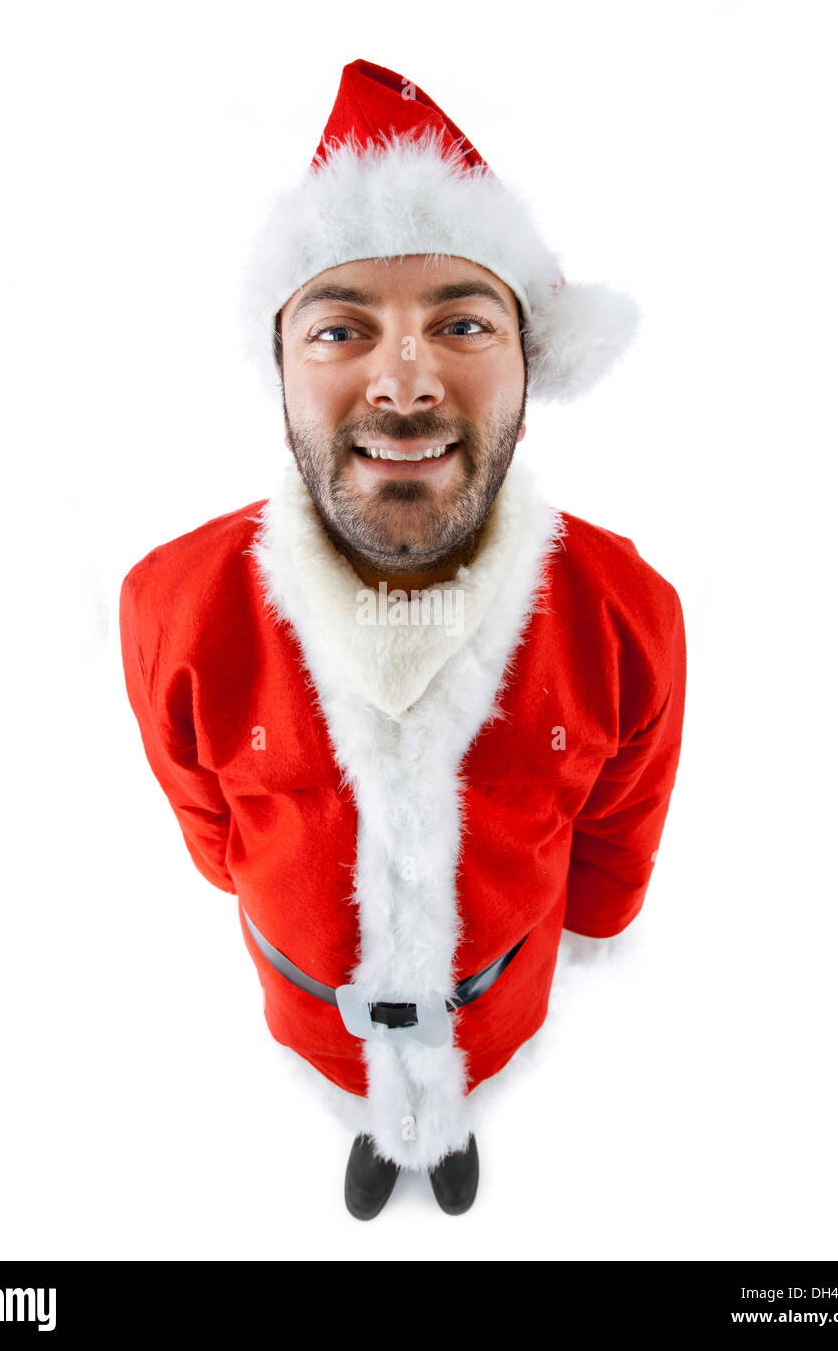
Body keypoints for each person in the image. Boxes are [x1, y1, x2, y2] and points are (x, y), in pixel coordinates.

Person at [118, 59, 687, 1219]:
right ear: (281, 369)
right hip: (313, 1019)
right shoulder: (172, 604)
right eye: (342, 328)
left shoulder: (630, 609)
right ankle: (375, 1132)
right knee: (351, 1087)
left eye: (463, 320)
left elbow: (620, 828)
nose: (406, 381)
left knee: (468, 1086)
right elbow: (207, 824)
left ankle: (451, 1128)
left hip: (502, 1005)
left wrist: (600, 924)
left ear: (531, 364)